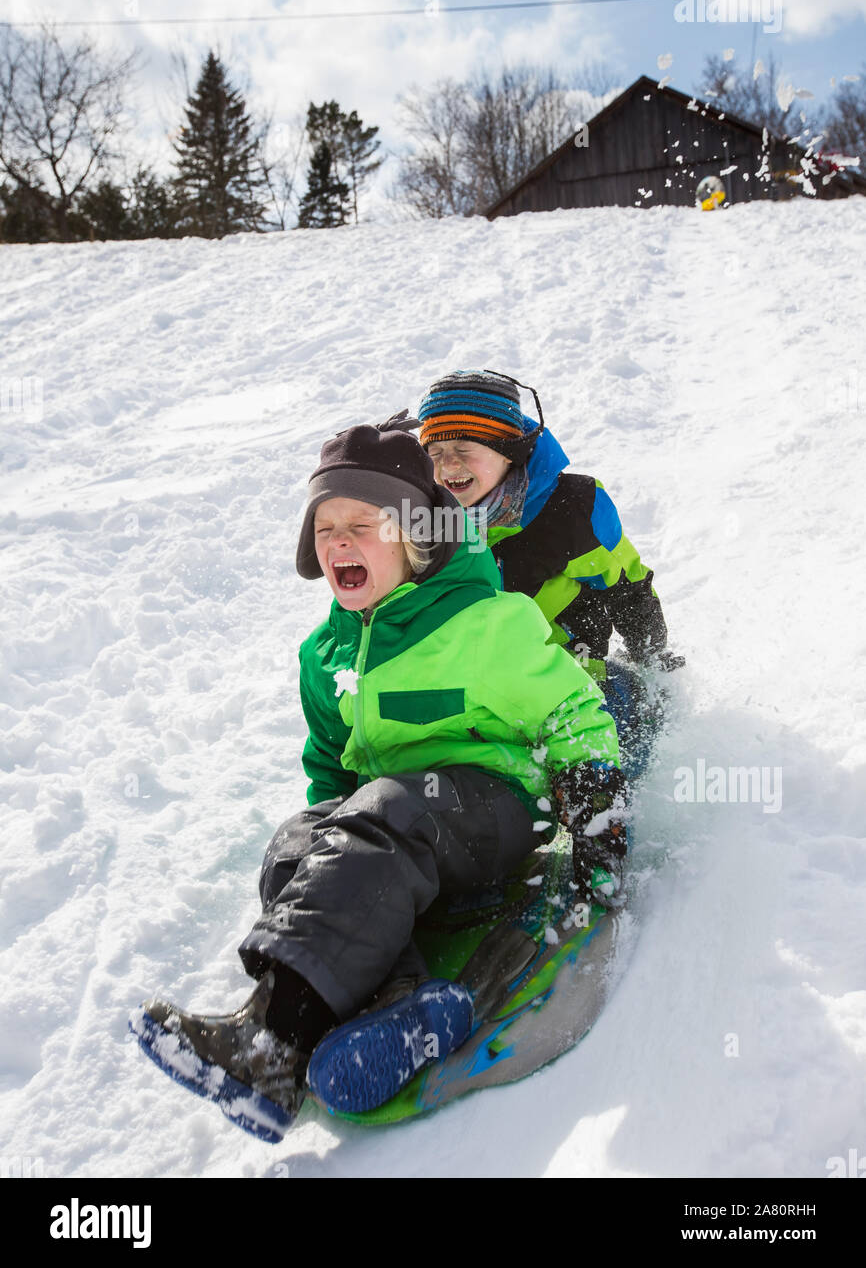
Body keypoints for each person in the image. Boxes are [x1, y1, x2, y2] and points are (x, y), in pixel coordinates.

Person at [130, 416, 628, 1141]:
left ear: (418, 536)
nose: (338, 542)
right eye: (325, 527)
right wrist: (320, 849)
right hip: (395, 829)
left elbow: (573, 712)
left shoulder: (482, 627)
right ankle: (401, 1004)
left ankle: (270, 1042)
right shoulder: (323, 653)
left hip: (494, 809)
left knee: (389, 806)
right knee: (297, 840)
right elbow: (329, 767)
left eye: (361, 523)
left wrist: (599, 826)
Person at [417, 369, 684, 771]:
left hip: (572, 682)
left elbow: (627, 586)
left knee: (603, 760)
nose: (447, 465)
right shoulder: (425, 521)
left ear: (509, 450)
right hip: (478, 694)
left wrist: (653, 659)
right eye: (434, 453)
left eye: (464, 447)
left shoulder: (572, 510)